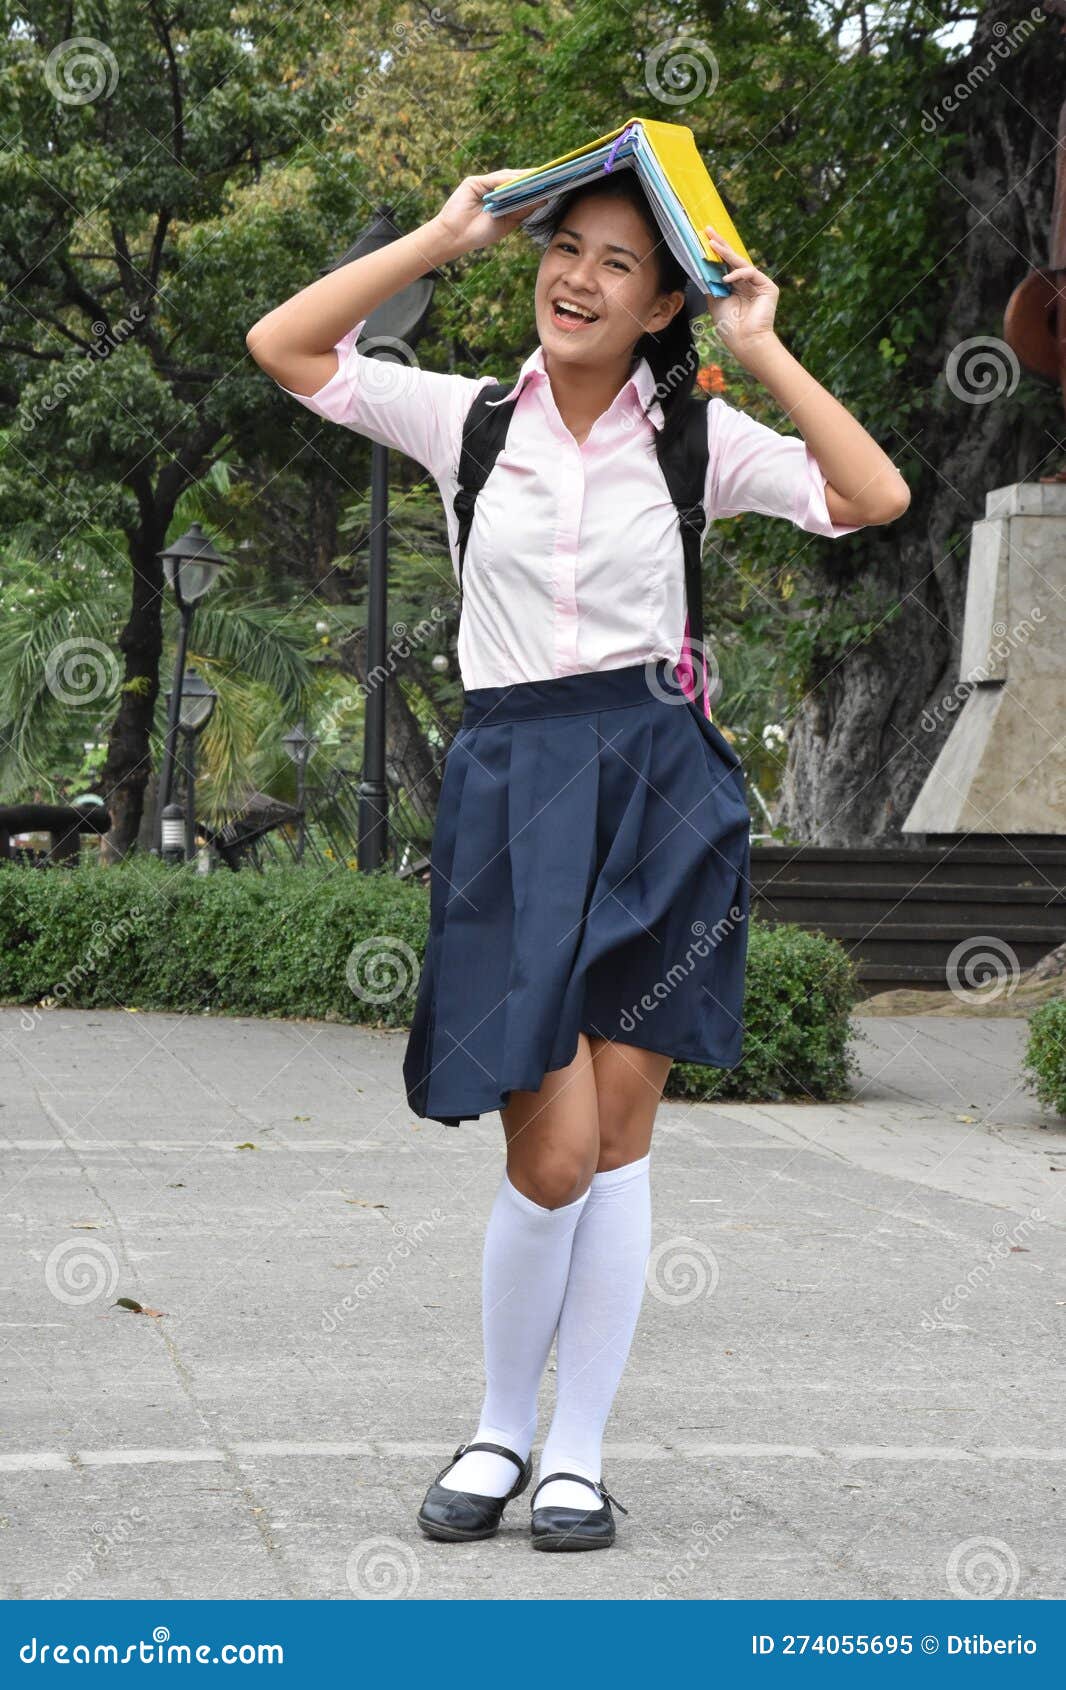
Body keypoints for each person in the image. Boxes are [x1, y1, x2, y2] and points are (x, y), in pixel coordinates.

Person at [246, 166, 909, 1553]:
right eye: (565, 247)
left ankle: (572, 1455)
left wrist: (758, 343)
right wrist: (439, 236)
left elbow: (872, 493)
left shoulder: (696, 443)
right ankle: (498, 1418)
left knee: (614, 1139)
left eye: (618, 263)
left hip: (659, 782)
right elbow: (287, 346)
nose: (581, 277)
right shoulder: (466, 422)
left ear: (660, 298)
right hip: (510, 786)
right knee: (545, 1151)